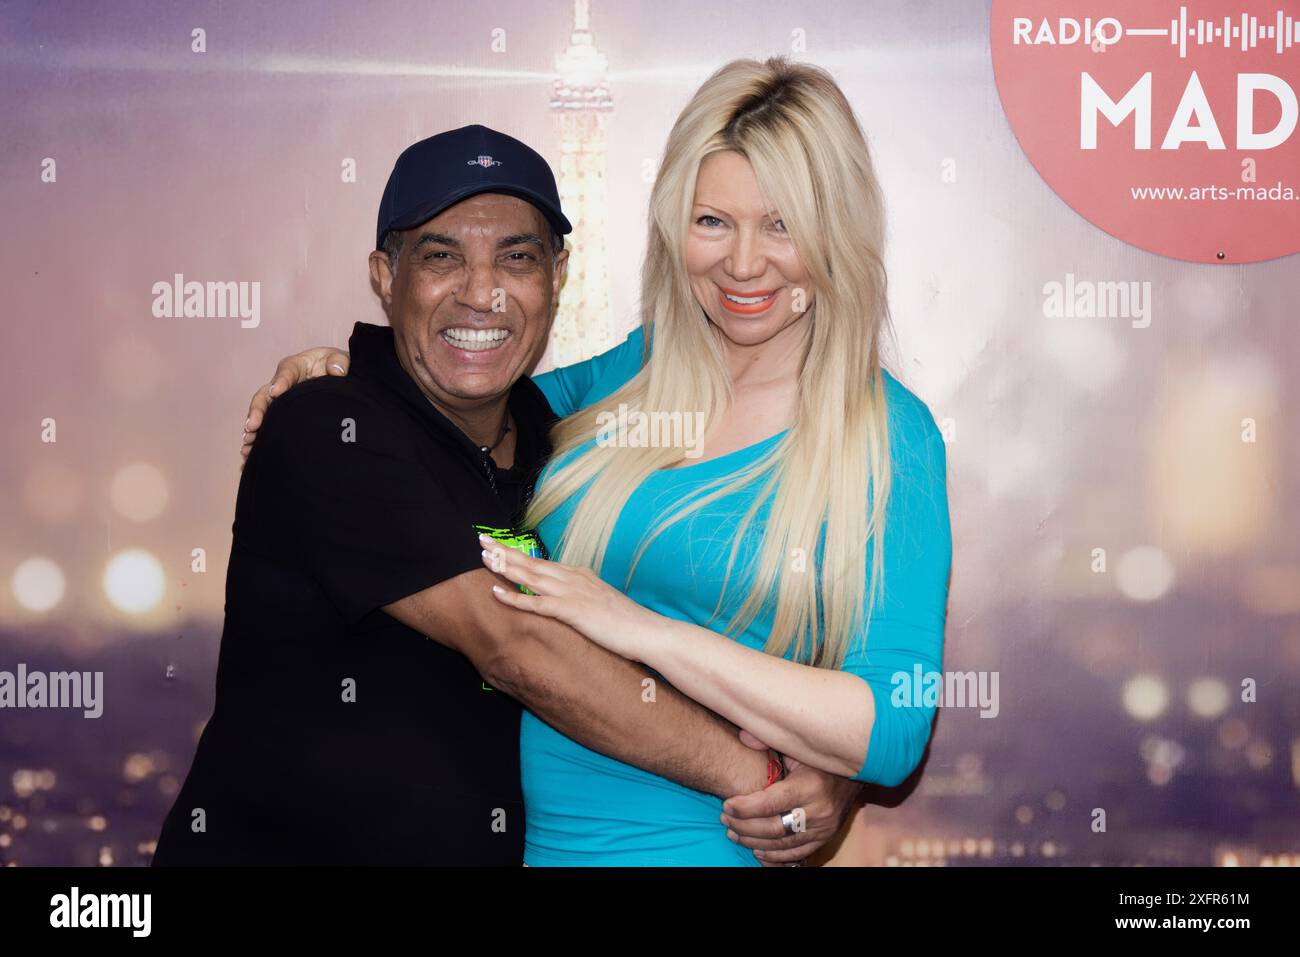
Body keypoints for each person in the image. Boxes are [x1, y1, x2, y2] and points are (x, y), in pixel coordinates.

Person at [246, 57, 952, 866]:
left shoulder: (889, 435)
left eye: (783, 223)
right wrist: (340, 378)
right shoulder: (630, 375)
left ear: (839, 230)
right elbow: (461, 393)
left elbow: (893, 726)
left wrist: (643, 632)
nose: (745, 262)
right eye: (712, 220)